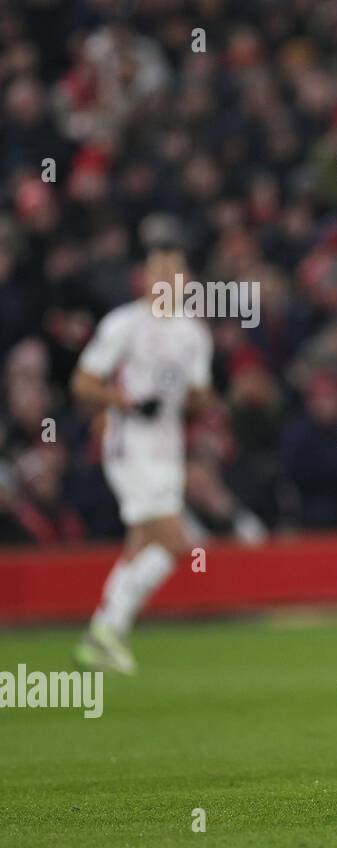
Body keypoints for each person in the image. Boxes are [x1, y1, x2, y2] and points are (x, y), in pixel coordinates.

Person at [70, 214, 214, 674]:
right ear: (147, 278)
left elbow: (198, 401)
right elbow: (83, 382)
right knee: (175, 543)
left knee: (141, 543)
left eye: (177, 272)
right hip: (129, 443)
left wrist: (197, 402)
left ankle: (102, 634)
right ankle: (108, 627)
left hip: (168, 447)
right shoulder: (124, 324)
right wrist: (125, 401)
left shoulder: (194, 333)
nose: (170, 280)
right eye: (161, 272)